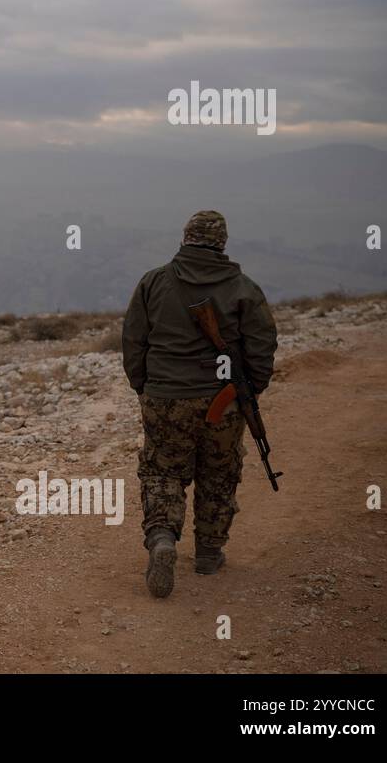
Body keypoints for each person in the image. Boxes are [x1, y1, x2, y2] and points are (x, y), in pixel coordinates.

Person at [121, 210, 277, 598]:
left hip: (164, 397)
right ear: (222, 243)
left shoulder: (153, 281)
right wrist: (250, 390)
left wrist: (143, 384)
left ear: (185, 238)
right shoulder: (244, 288)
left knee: (162, 471)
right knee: (219, 473)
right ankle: (208, 554)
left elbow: (133, 340)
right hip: (222, 401)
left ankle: (162, 537)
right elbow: (262, 345)